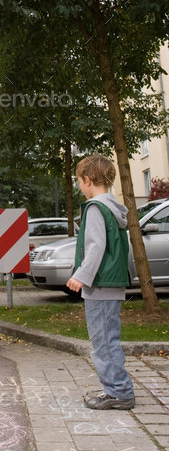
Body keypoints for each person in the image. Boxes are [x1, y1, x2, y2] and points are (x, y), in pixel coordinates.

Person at [67, 154, 135, 410]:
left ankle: (119, 391)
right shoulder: (113, 207)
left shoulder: (96, 208)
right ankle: (115, 388)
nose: (79, 187)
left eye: (79, 182)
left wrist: (80, 276)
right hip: (109, 285)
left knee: (103, 342)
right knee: (107, 339)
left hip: (100, 286)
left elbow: (96, 248)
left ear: (87, 180)